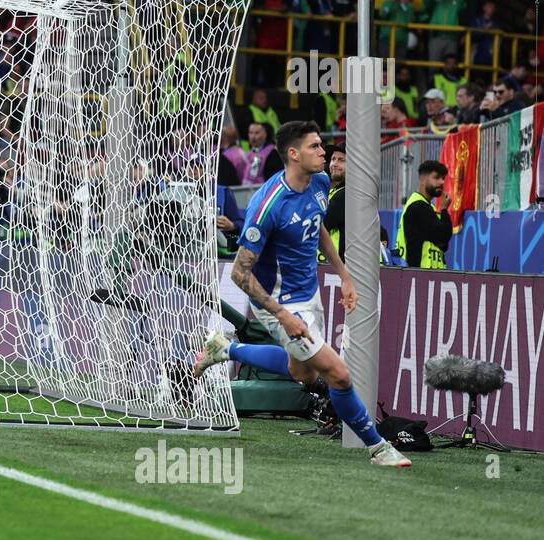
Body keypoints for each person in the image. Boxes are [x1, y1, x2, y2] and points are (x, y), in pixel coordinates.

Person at [193, 120, 412, 468]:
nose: (324, 152)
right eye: (315, 147)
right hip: (279, 303)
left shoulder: (320, 183)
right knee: (338, 373)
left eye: (321, 146)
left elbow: (317, 224)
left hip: (309, 294)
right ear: (293, 154)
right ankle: (378, 447)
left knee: (304, 374)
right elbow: (239, 273)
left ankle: (225, 349)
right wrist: (281, 315)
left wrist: (344, 275)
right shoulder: (268, 205)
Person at [395, 160, 452, 270]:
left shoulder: (428, 207)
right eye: (436, 177)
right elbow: (444, 234)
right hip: (420, 276)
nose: (441, 182)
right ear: (422, 179)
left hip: (428, 276)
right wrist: (444, 209)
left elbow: (444, 244)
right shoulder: (418, 206)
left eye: (443, 178)